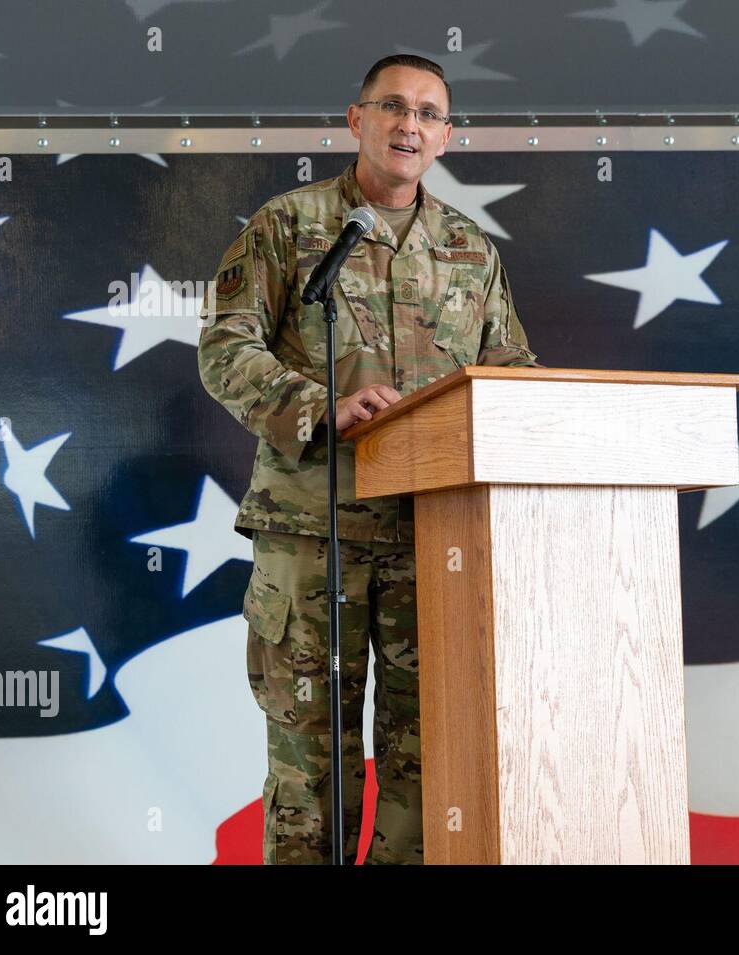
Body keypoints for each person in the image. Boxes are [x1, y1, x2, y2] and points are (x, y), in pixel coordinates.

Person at [197, 53, 540, 864]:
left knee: (431, 767)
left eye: (427, 113)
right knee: (314, 772)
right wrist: (320, 405)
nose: (409, 124)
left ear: (446, 136)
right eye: (393, 107)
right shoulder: (288, 225)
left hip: (436, 542)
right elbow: (224, 349)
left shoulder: (470, 250)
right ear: (356, 120)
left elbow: (513, 378)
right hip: (317, 538)